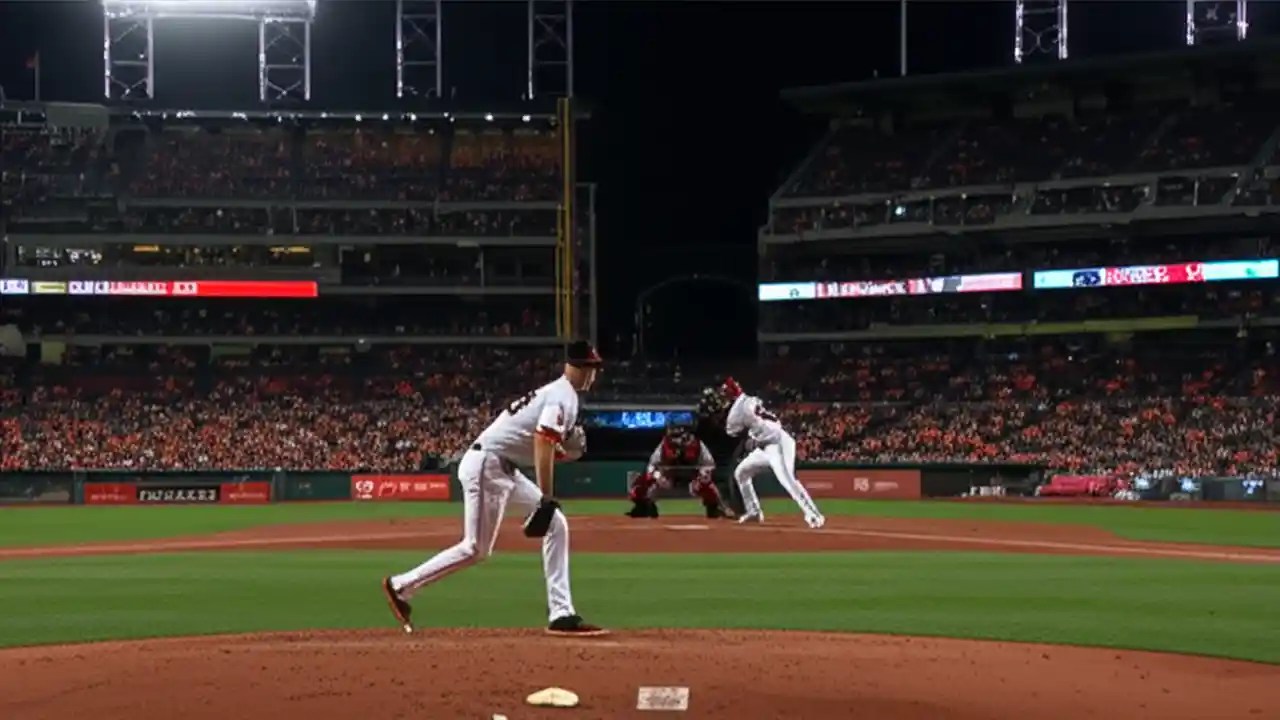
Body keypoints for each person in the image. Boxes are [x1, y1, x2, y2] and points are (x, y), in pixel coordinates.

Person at [381, 340, 608, 637]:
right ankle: (401, 586)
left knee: (556, 524)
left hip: (503, 465)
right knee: (476, 548)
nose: (592, 374)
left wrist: (562, 452)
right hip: (487, 464)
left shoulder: (559, 394)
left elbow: (539, 443)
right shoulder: (563, 396)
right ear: (572, 366)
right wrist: (546, 495)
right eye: (588, 367)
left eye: (595, 368)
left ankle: (561, 613)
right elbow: (542, 441)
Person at [709, 378, 824, 528]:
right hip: (765, 445)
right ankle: (754, 512)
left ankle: (814, 515)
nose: (722, 399)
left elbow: (732, 432)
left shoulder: (735, 412)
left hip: (778, 442)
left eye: (724, 395)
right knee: (741, 473)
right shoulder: (750, 399)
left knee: (787, 480)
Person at [625, 419, 733, 520]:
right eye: (671, 435)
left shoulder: (697, 445)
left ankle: (714, 508)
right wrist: (658, 476)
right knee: (644, 479)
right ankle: (643, 507)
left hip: (692, 480)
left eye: (675, 436)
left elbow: (709, 464)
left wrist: (703, 474)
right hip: (669, 479)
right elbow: (652, 465)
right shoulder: (665, 444)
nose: (672, 438)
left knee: (707, 483)